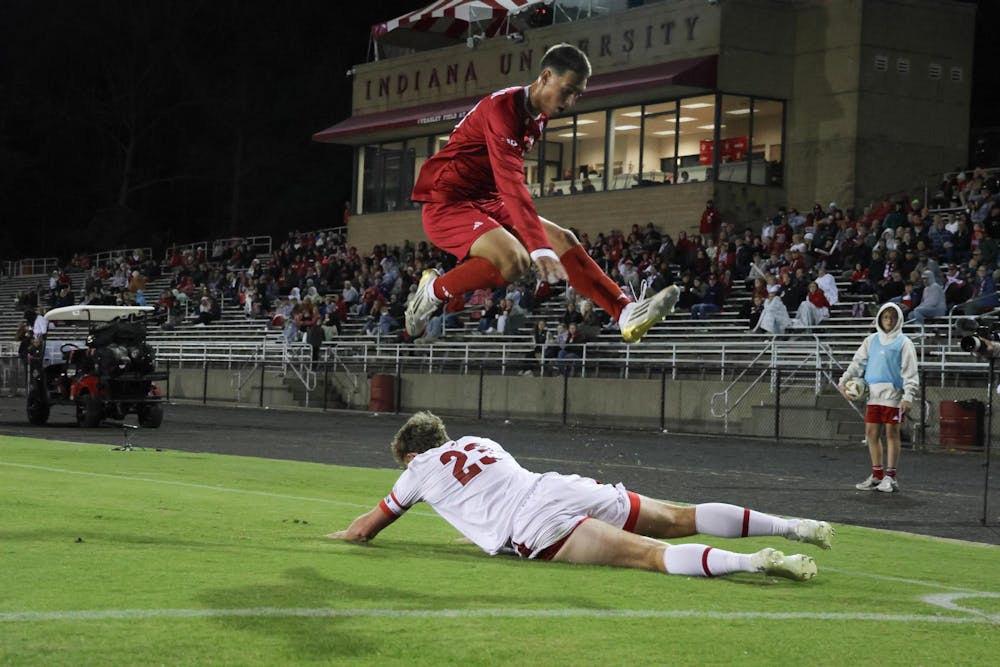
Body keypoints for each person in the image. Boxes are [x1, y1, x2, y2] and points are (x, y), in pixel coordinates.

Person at [327, 412, 831, 580]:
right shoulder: (482, 441)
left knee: (652, 557)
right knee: (680, 516)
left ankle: (750, 564)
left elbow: (368, 526)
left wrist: (343, 535)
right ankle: (790, 526)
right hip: (558, 486)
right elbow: (487, 489)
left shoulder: (417, 469)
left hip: (534, 523)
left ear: (410, 453)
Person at [405, 43, 678, 345]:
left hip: (487, 201)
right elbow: (511, 182)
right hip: (447, 202)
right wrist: (539, 248)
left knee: (564, 239)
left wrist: (544, 244)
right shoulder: (503, 110)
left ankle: (625, 313)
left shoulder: (538, 114)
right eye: (568, 90)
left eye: (578, 94)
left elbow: (505, 184)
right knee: (516, 261)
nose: (572, 101)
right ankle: (430, 293)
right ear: (546, 76)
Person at [838, 303, 919, 493]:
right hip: (873, 395)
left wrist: (908, 395)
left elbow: (910, 371)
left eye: (892, 317)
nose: (889, 321)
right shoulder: (871, 340)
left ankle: (891, 477)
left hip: (894, 396)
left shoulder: (904, 342)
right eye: (885, 317)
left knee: (892, 434)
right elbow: (857, 363)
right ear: (879, 319)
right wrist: (843, 382)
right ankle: (877, 475)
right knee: (871, 434)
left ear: (898, 319)